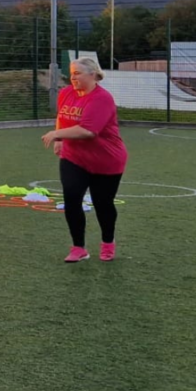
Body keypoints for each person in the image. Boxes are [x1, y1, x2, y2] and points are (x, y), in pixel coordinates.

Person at [41, 56, 128, 263]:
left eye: (77, 73)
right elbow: (62, 117)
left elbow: (89, 131)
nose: (73, 77)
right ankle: (78, 248)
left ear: (92, 74)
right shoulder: (66, 93)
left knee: (103, 203)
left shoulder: (102, 98)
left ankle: (107, 243)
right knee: (71, 199)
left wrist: (54, 134)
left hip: (106, 160)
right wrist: (60, 138)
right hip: (74, 157)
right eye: (71, 73)